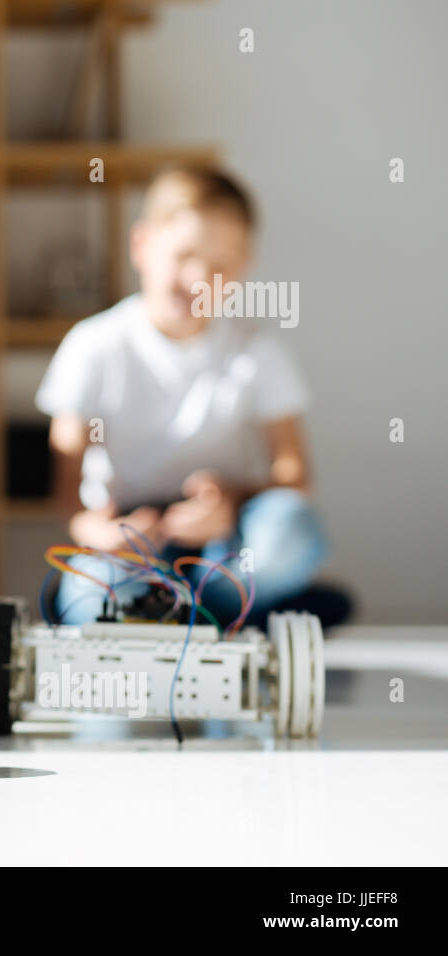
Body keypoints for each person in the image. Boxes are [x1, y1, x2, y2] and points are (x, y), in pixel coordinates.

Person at [36, 166, 333, 627]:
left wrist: (230, 501)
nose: (199, 279)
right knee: (93, 597)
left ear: (244, 266)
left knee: (289, 533)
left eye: (219, 266)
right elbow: (68, 487)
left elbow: (294, 474)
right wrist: (96, 529)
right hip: (133, 535)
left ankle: (179, 616)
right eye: (184, 255)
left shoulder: (258, 350)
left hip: (225, 534)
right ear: (142, 246)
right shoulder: (92, 345)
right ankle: (235, 614)